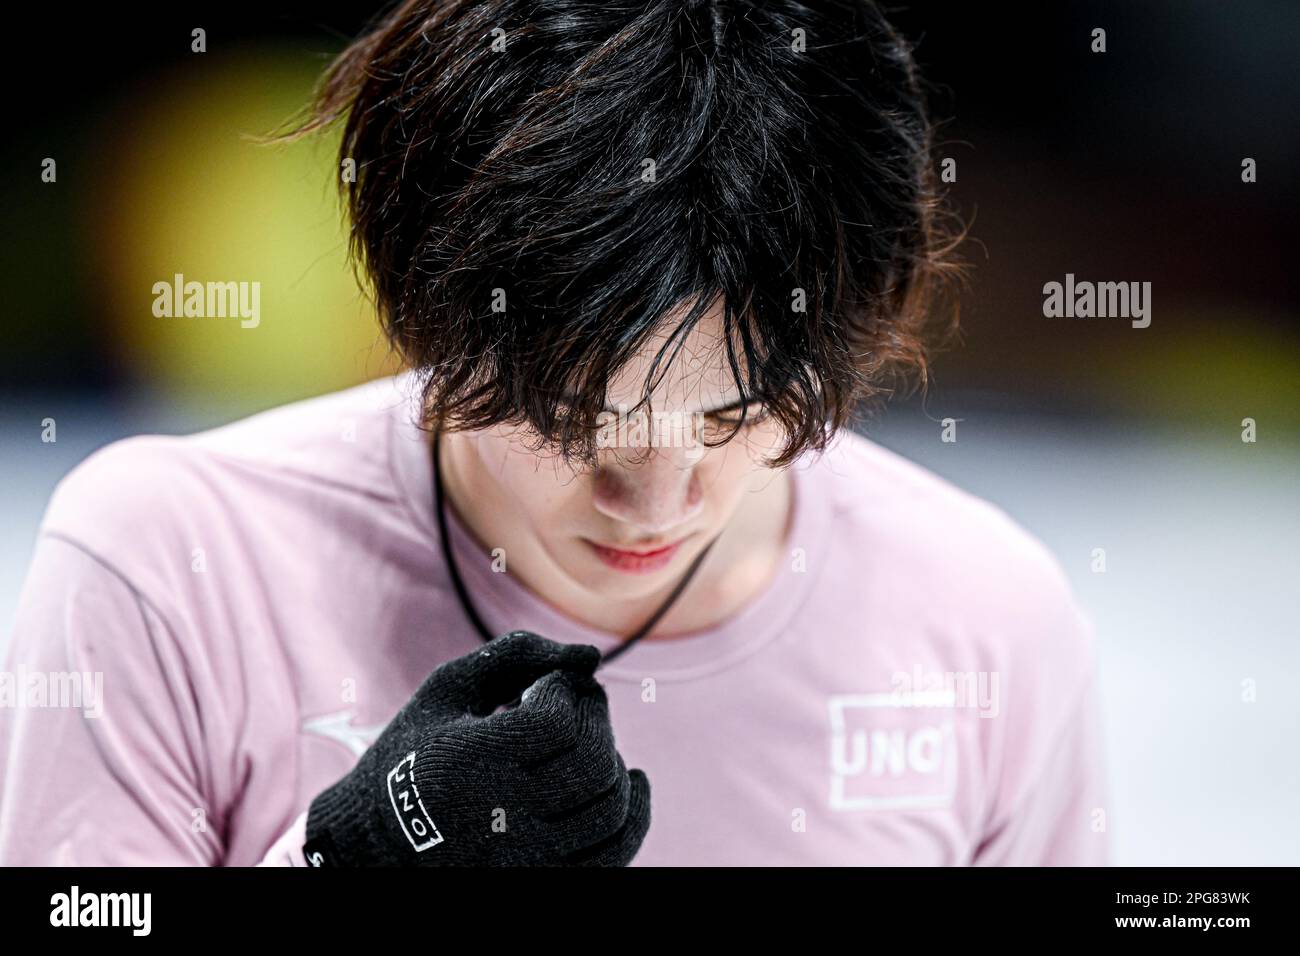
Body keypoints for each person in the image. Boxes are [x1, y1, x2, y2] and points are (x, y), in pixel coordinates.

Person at [0, 0, 1108, 866]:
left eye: (736, 414)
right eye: (579, 421)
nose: (663, 499)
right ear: (423, 320)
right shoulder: (169, 564)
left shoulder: (985, 620)